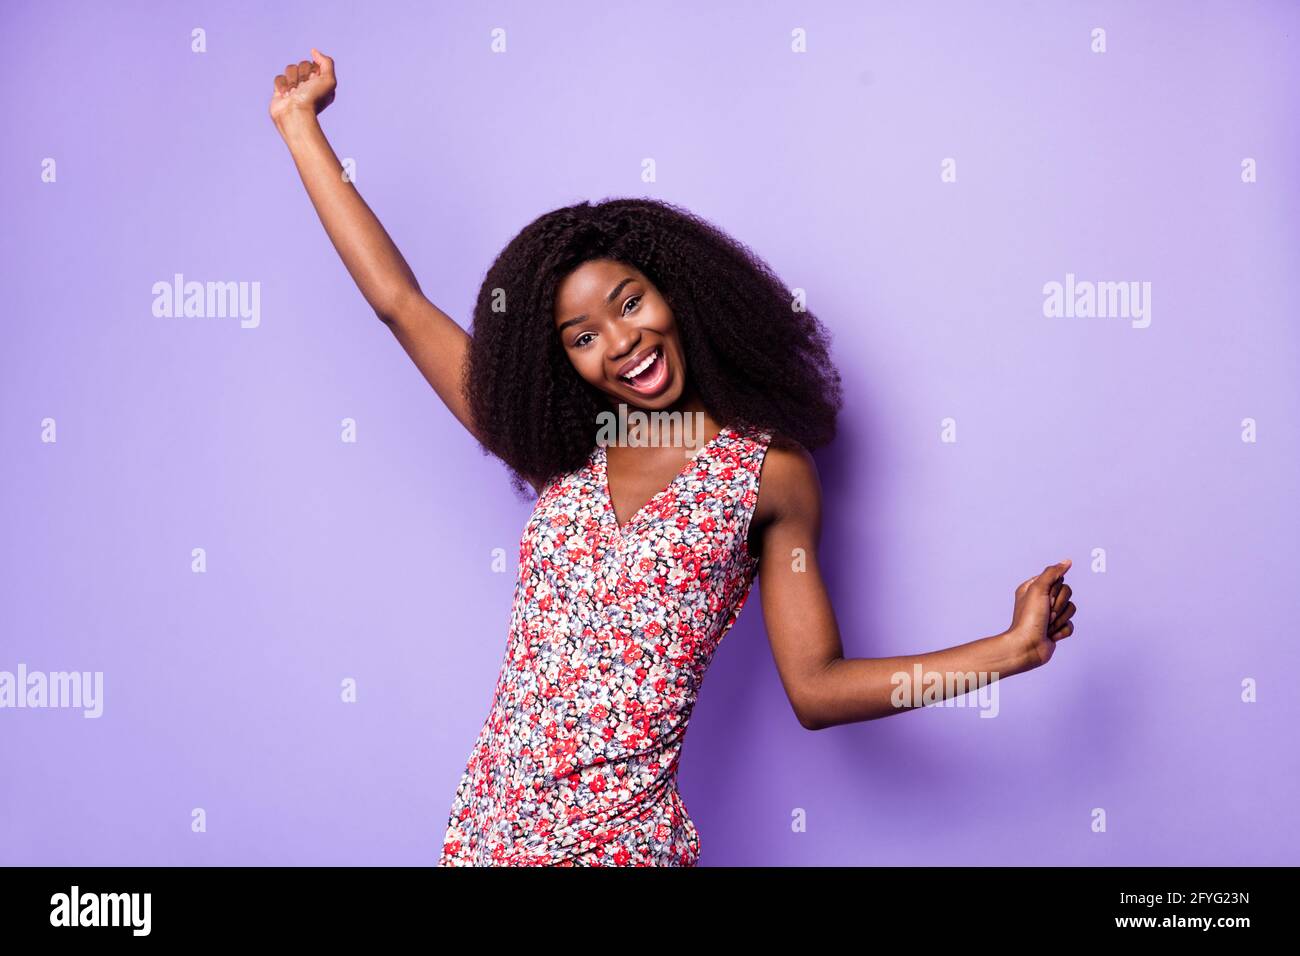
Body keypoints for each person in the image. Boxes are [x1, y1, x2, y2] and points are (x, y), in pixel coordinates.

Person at [269, 50, 1080, 867]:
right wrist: (299, 126)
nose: (622, 342)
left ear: (677, 293)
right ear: (564, 362)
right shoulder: (566, 454)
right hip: (485, 842)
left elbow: (816, 688)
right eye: (584, 338)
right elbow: (400, 304)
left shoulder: (766, 473)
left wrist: (1005, 653)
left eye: (631, 303)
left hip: (618, 847)